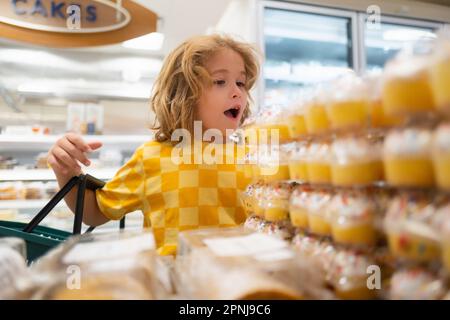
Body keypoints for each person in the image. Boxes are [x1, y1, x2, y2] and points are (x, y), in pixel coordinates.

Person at [47, 34, 260, 255]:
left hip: (240, 282)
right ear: (185, 93)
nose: (237, 92)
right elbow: (93, 213)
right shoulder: (152, 157)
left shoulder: (253, 157)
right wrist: (66, 172)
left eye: (241, 83)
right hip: (173, 285)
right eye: (220, 82)